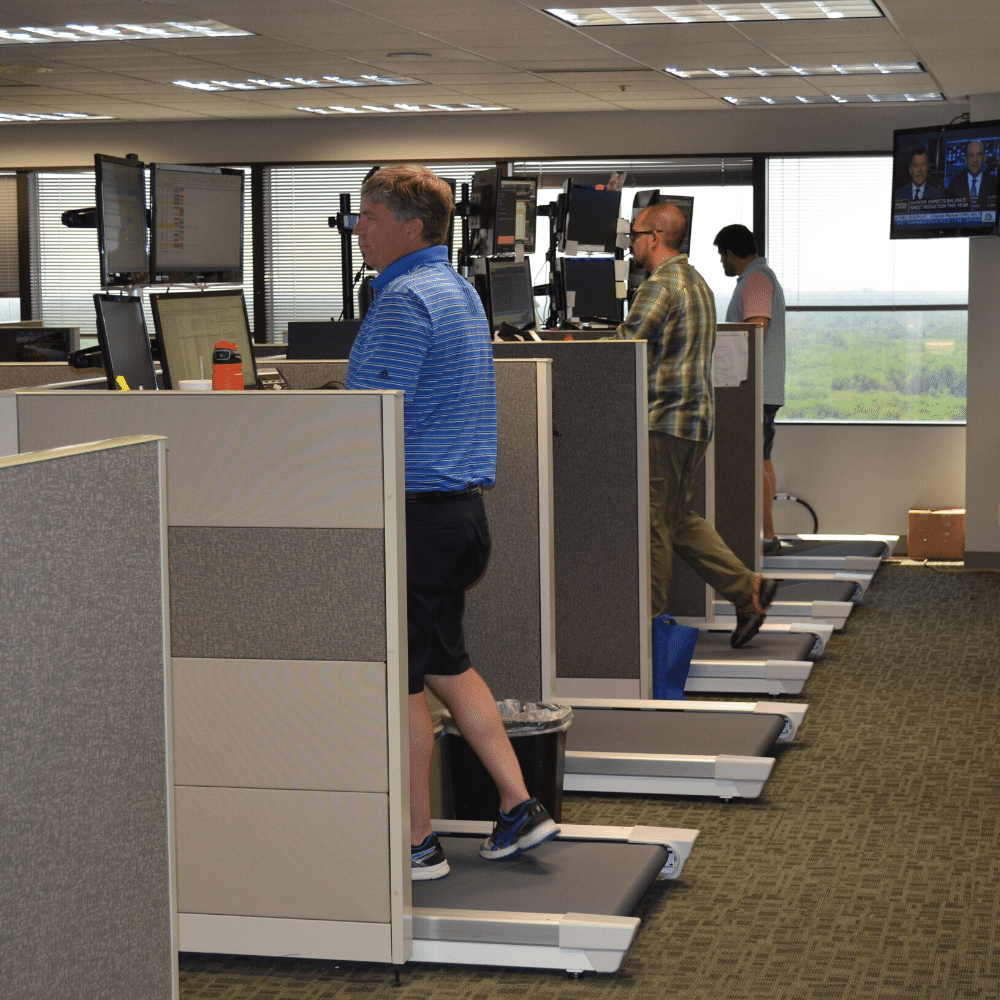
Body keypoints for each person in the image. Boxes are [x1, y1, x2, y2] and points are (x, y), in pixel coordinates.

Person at [345, 165, 558, 880]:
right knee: (445, 662)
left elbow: (368, 420)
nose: (359, 229)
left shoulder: (403, 299)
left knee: (401, 679)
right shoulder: (457, 289)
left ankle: (417, 843)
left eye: (368, 217)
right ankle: (518, 804)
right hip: (459, 518)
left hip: (415, 519)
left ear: (409, 225)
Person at [614, 202, 776, 649]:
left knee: (653, 526)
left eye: (635, 236)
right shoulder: (698, 282)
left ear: (654, 238)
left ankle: (650, 634)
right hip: (695, 421)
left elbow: (621, 350)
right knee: (679, 519)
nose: (632, 244)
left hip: (661, 421)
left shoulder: (659, 286)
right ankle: (748, 591)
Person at [714, 224, 786, 557]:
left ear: (732, 253)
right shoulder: (756, 277)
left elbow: (756, 326)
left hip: (754, 389)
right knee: (764, 459)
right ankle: (768, 533)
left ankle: (767, 536)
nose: (722, 263)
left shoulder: (756, 278)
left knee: (756, 460)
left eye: (721, 256)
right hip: (761, 388)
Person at [946, 139, 997, 204]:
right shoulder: (954, 184)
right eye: (971, 155)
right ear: (965, 160)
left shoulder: (994, 183)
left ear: (984, 158)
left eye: (979, 155)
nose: (975, 160)